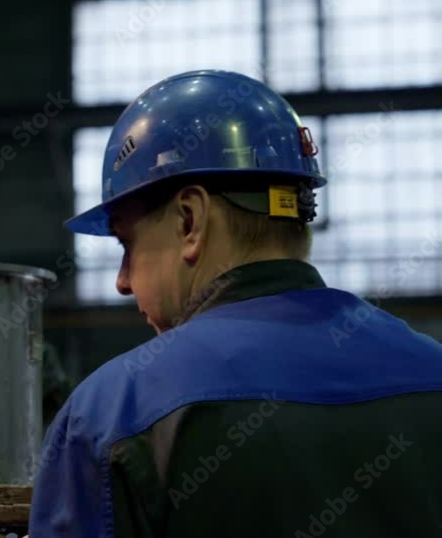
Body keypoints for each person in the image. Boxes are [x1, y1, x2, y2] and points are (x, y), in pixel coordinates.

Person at [27, 70, 442, 537]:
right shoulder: (432, 370)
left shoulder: (110, 414)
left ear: (190, 220)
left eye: (127, 243)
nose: (123, 281)